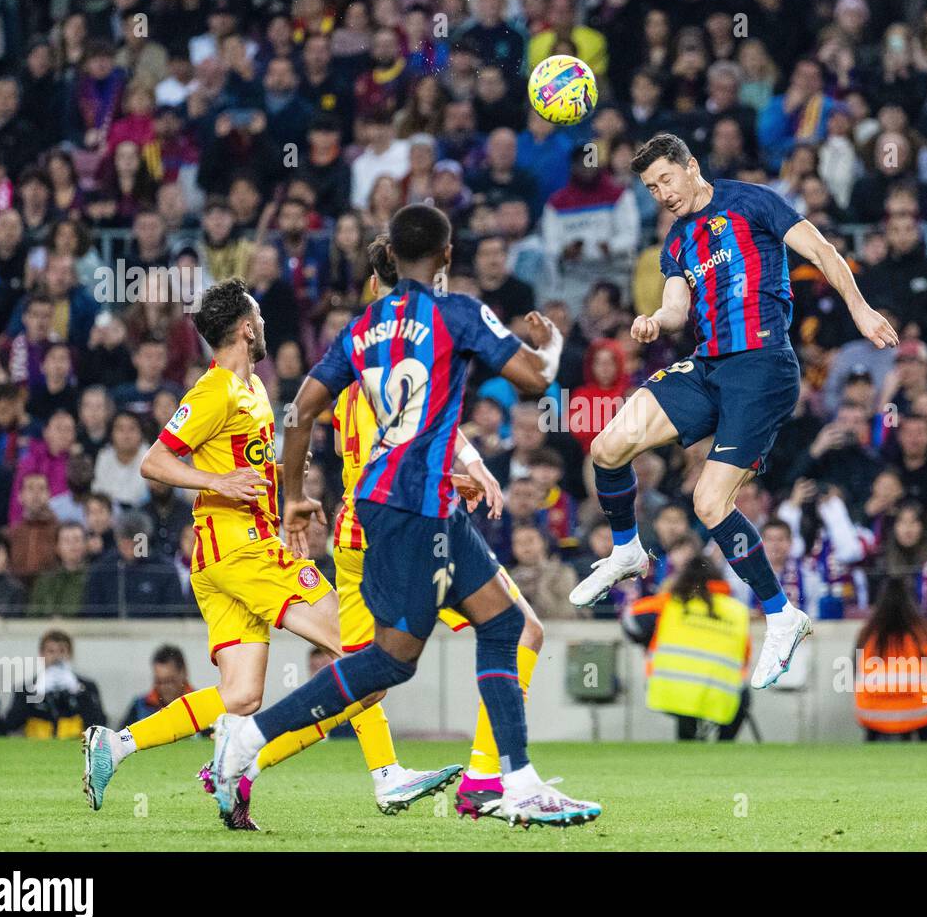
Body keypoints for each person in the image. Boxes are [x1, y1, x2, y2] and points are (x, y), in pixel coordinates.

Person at [210, 205, 600, 828]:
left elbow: (300, 411)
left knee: (507, 625)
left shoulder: (362, 329)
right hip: (416, 507)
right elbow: (531, 377)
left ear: (390, 255)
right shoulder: (458, 313)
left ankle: (512, 781)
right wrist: (552, 346)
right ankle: (251, 738)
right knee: (393, 660)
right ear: (447, 257)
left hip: (394, 501)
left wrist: (293, 495)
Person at [570, 133, 897, 693]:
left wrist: (861, 311)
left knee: (708, 500)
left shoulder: (753, 201)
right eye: (650, 188)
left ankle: (780, 614)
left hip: (763, 367)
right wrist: (654, 320)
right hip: (708, 366)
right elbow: (677, 307)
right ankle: (627, 550)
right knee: (607, 445)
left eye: (666, 180)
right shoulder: (677, 241)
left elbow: (822, 251)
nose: (662, 194)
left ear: (691, 167)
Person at [80, 278, 404, 827]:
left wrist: (288, 494)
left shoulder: (252, 390)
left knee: (241, 695)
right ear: (247, 328)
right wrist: (219, 482)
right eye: (259, 314)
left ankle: (115, 745)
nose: (266, 323)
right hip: (243, 552)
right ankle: (385, 776)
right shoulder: (217, 390)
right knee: (361, 646)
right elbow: (155, 462)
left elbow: (247, 471)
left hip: (224, 559)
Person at [328, 373, 548, 818]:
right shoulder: (396, 382)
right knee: (523, 631)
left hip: (352, 537)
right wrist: (454, 479)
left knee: (359, 667)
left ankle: (380, 773)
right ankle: (484, 778)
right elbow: (394, 468)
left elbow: (343, 450)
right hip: (404, 534)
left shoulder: (349, 390)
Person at [625, 554, 751, 742]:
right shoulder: (737, 611)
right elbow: (745, 657)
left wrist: (648, 640)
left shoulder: (670, 602)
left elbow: (630, 618)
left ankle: (688, 742)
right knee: (743, 696)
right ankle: (724, 745)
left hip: (671, 689)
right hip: (720, 695)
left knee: (686, 711)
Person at [853, 576, 927, 741]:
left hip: (872, 713)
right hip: (919, 712)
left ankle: (871, 748)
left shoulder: (866, 635)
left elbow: (855, 674)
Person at [6, 630, 108, 739]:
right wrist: (34, 694)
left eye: (62, 651)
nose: (56, 657)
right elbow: (11, 724)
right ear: (41, 655)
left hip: (75, 746)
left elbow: (100, 725)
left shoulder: (87, 687)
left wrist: (78, 693)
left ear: (70, 655)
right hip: (36, 748)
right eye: (51, 651)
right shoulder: (26, 689)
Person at [117, 645, 195, 727]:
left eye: (170, 681)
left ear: (183, 673)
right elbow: (121, 738)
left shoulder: (200, 704)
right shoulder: (140, 707)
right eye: (159, 682)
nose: (164, 688)